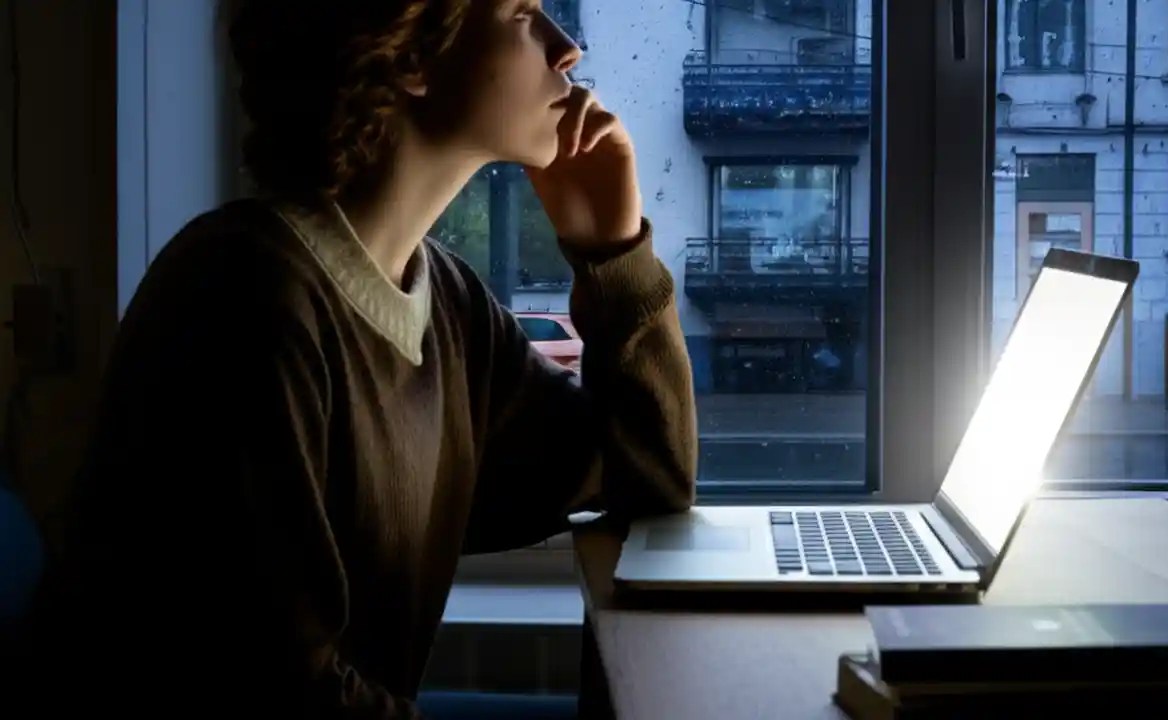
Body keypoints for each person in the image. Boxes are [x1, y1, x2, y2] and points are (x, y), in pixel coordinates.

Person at [13, 0, 697, 717]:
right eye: (525, 13)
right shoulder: (242, 297)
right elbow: (279, 692)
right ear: (409, 55)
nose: (567, 50)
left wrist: (614, 255)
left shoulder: (449, 301)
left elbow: (648, 473)